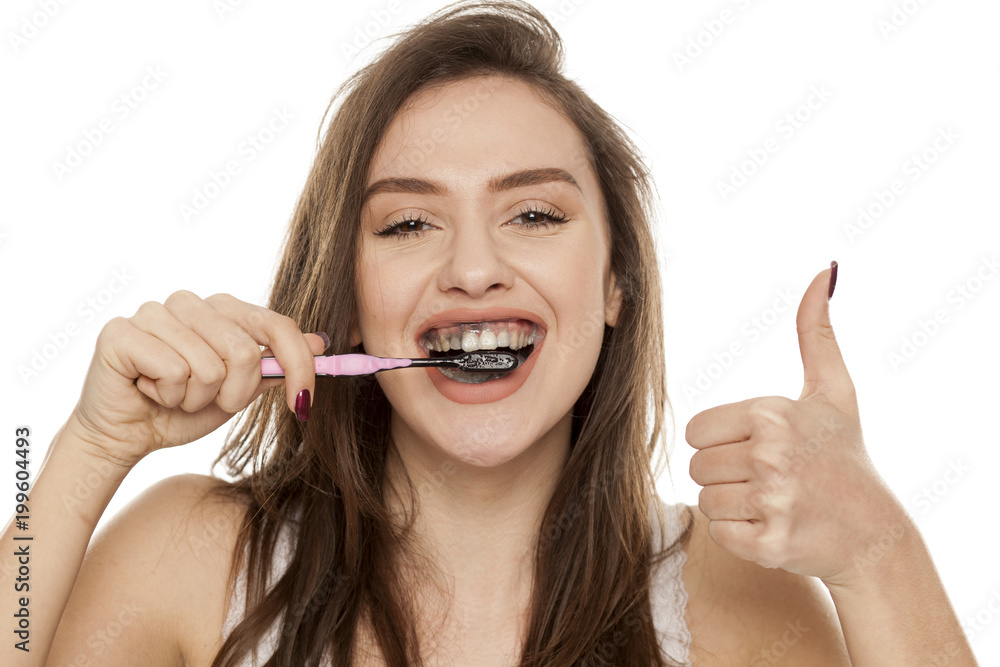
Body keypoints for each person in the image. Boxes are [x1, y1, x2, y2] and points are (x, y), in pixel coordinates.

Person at [2, 1, 978, 665]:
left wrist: (877, 550)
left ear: (614, 287)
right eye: (408, 223)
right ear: (346, 298)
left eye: (536, 215)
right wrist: (88, 453)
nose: (472, 267)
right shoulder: (193, 555)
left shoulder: (726, 599)